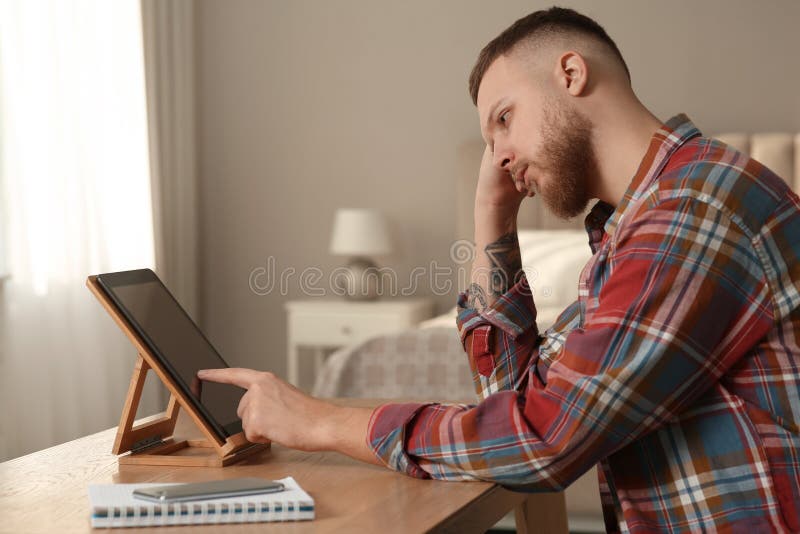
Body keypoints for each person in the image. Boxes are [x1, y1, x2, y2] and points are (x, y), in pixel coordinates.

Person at [199, 7, 800, 532]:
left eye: (504, 118)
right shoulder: (636, 233)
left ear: (570, 74)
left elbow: (544, 439)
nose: (499, 154)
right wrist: (491, 213)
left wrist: (322, 420)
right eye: (489, 139)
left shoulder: (694, 211)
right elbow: (510, 403)